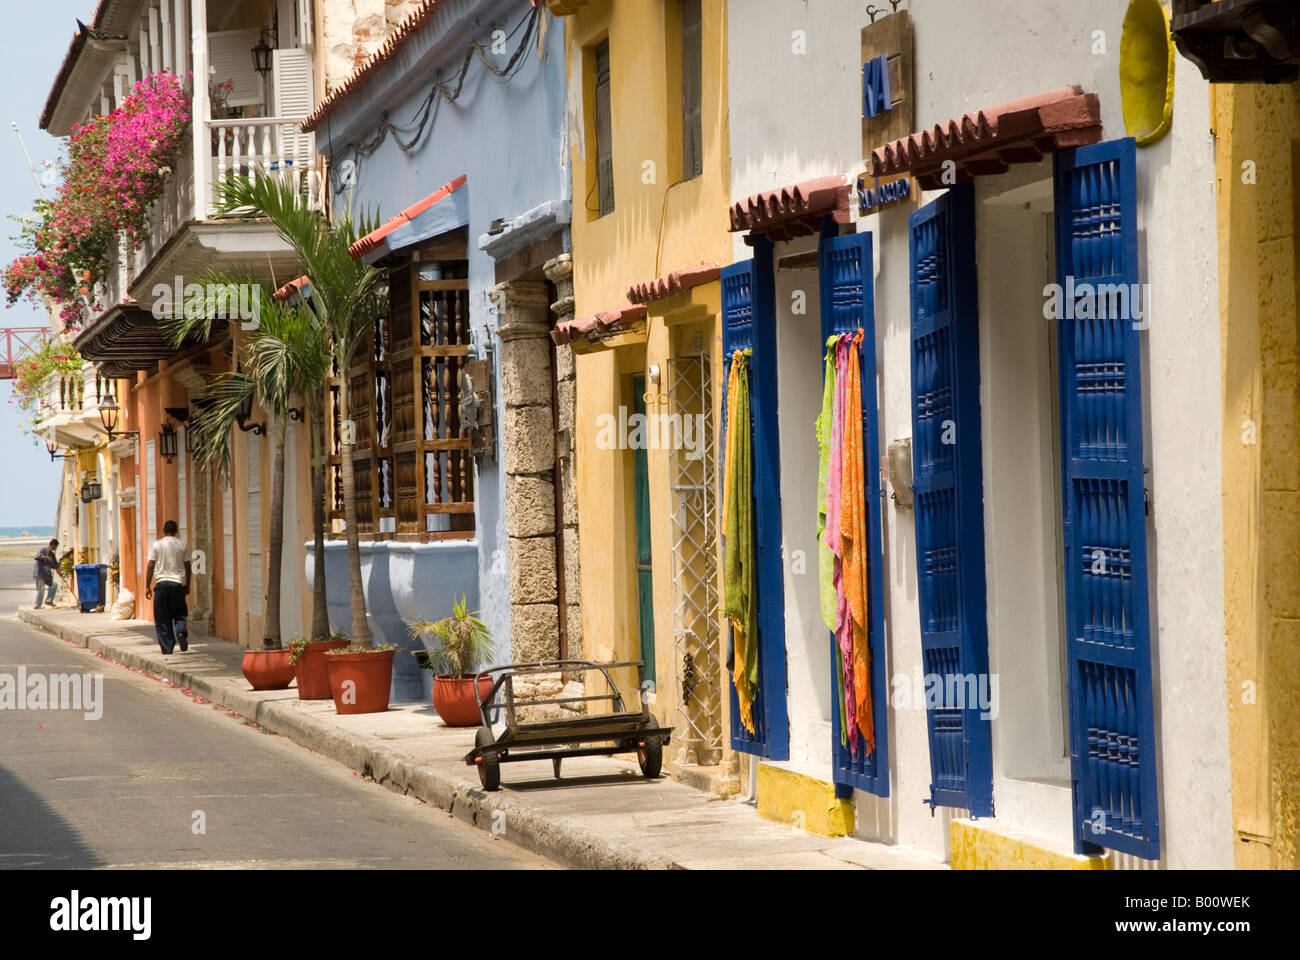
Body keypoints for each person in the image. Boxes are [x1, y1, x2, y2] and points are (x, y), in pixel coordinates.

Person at [145, 520, 191, 654]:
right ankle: (181, 632)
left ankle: (167, 647)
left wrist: (147, 586)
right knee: (180, 613)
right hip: (178, 584)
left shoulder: (157, 545)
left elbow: (151, 565)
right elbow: (188, 566)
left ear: (163, 530)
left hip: (162, 584)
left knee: (162, 617)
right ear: (176, 531)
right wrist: (187, 584)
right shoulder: (183, 545)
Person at [33, 538, 59, 609]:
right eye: (56, 546)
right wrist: (46, 557)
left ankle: (49, 601)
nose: (56, 548)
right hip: (40, 573)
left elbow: (55, 565)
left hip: (47, 575)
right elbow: (37, 556)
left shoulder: (52, 555)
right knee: (41, 589)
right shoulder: (42, 550)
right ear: (53, 545)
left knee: (54, 585)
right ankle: (37, 605)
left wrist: (58, 570)